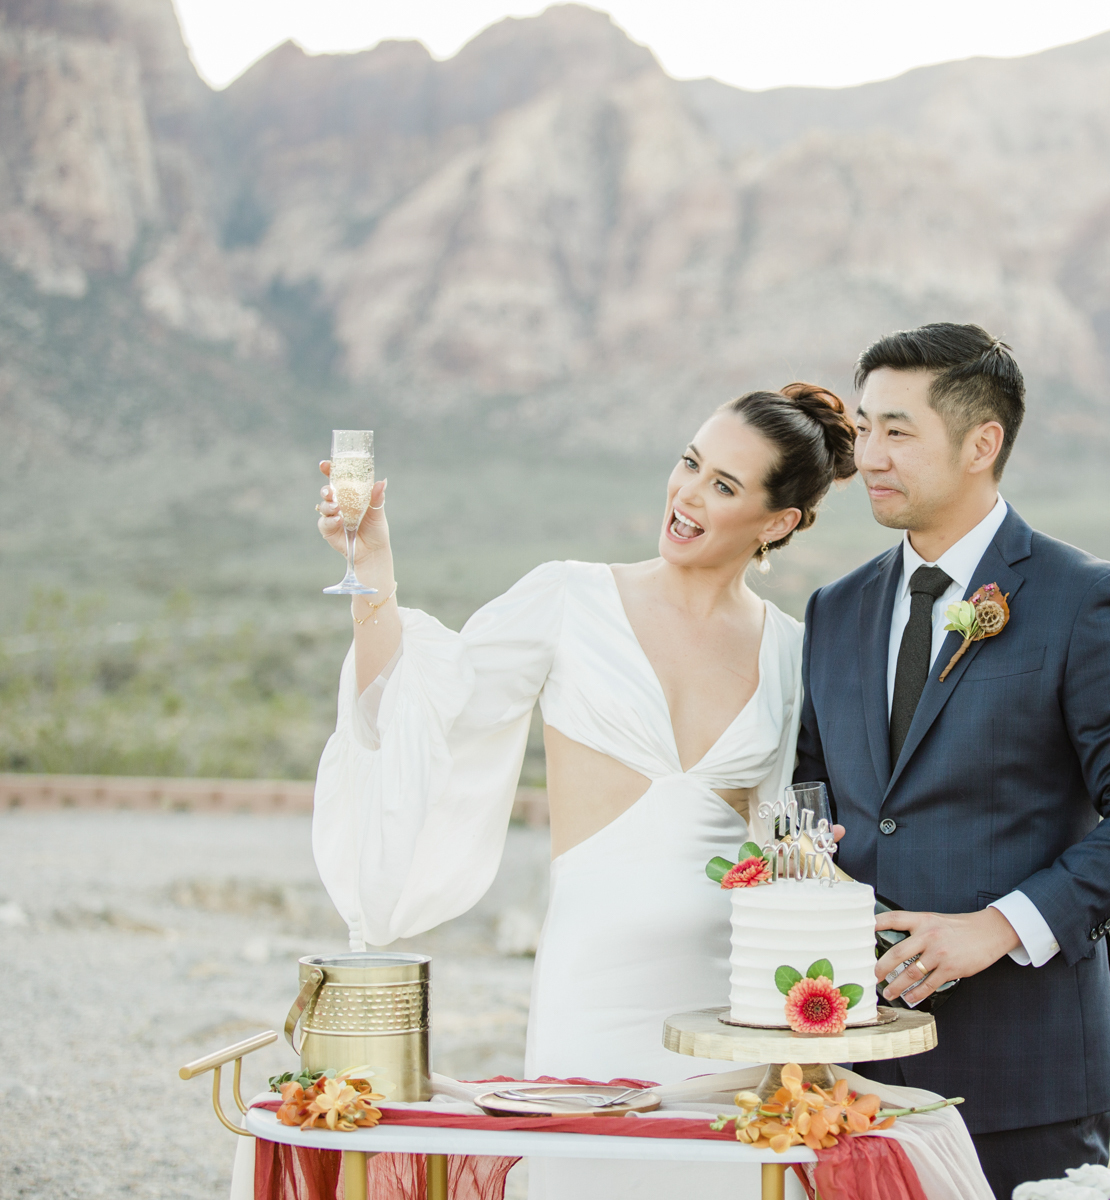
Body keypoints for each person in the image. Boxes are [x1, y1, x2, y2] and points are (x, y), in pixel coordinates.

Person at [308, 383, 856, 1199]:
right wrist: (371, 566)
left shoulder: (793, 652)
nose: (687, 494)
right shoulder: (569, 598)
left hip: (725, 1011)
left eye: (723, 485)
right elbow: (422, 702)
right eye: (690, 463)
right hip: (591, 988)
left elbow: (790, 836)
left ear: (778, 522)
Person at [793, 323, 1110, 1199]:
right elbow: (811, 804)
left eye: (898, 431)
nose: (869, 456)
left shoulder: (1086, 601)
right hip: (849, 1069)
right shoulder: (834, 609)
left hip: (1025, 1069)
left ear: (982, 444)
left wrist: (998, 927)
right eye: (864, 428)